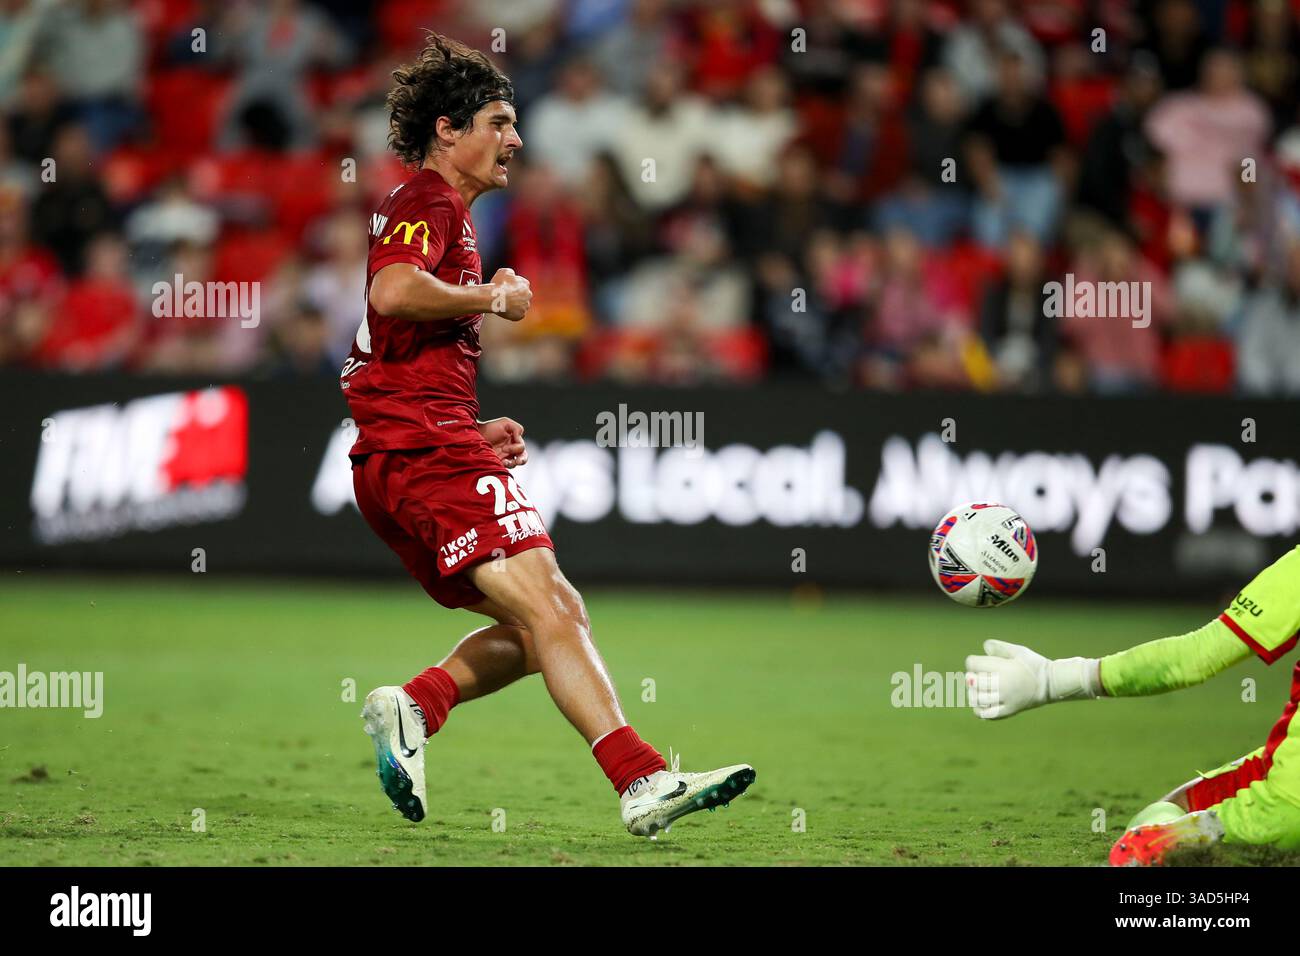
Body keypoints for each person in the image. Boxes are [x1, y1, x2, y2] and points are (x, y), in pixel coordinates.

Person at [340, 33, 754, 838]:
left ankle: (415, 705)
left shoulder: (431, 211)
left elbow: (388, 338)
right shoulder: (426, 201)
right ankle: (641, 781)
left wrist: (467, 421)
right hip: (421, 449)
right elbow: (391, 295)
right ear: (449, 130)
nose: (517, 139)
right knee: (558, 612)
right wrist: (489, 297)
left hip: (411, 447)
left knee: (543, 627)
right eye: (499, 120)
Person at [965, 546, 1300, 865]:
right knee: (1179, 805)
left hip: (1288, 807)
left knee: (1142, 845)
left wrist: (1052, 679)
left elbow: (1194, 658)